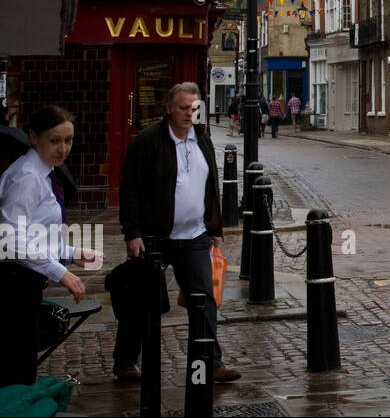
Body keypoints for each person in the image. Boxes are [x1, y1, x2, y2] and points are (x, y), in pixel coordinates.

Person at [115, 83, 240, 383]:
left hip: (195, 236)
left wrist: (212, 227)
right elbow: (130, 190)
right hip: (154, 238)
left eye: (194, 108)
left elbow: (210, 186)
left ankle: (210, 362)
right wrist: (132, 233)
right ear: (169, 108)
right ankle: (125, 361)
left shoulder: (203, 139)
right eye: (183, 107)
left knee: (204, 300)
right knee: (143, 302)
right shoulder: (147, 141)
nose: (189, 113)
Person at [0, 106, 103, 387]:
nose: (63, 148)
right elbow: (11, 239)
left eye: (68, 140)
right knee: (15, 372)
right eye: (54, 140)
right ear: (34, 138)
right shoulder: (27, 177)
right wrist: (61, 273)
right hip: (12, 285)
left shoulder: (43, 173)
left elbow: (35, 235)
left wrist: (71, 253)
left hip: (25, 282)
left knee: (21, 367)